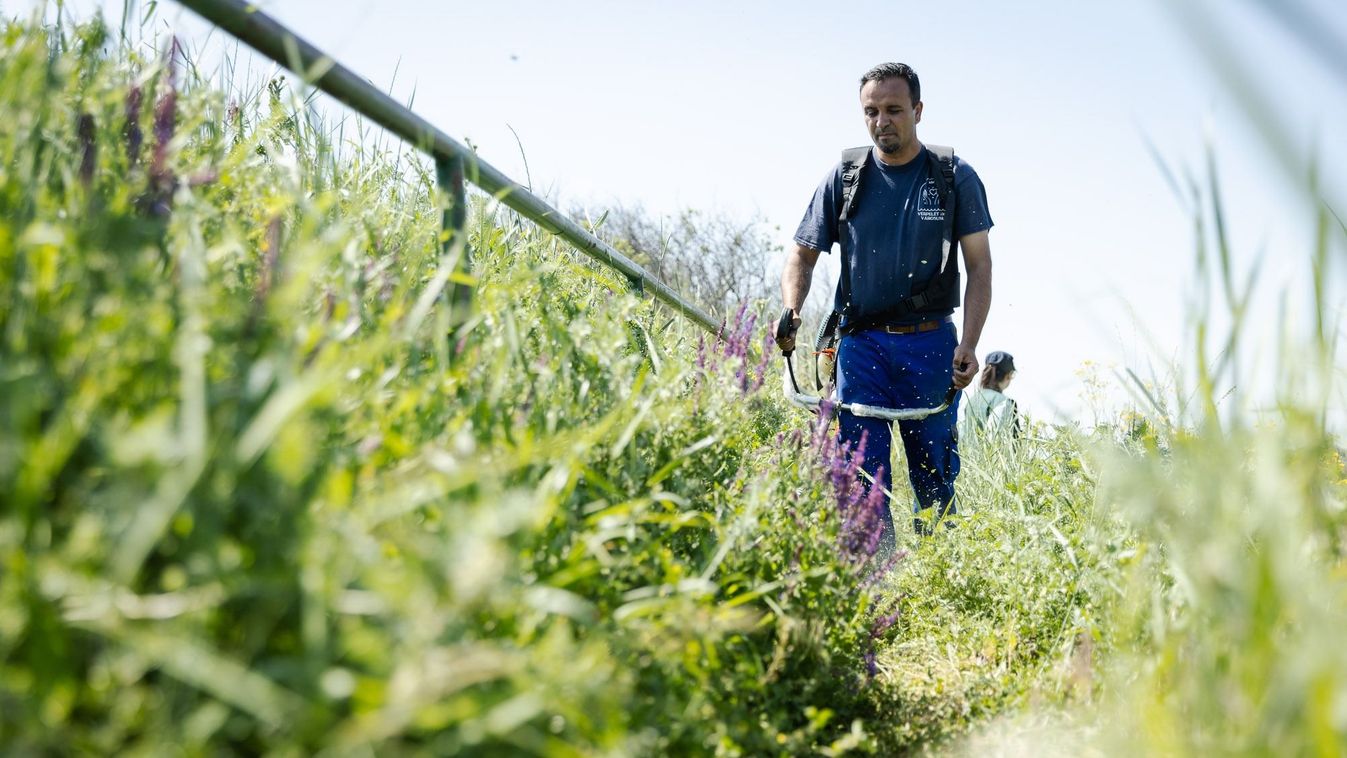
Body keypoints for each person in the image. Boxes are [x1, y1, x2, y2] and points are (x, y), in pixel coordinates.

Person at [777, 62, 993, 545]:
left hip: (930, 345)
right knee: (860, 479)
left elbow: (980, 267)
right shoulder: (845, 177)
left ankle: (940, 583)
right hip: (861, 347)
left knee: (935, 477)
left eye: (894, 110)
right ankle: (876, 583)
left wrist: (971, 345)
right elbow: (801, 253)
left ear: (918, 111)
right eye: (871, 112)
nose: (882, 121)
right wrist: (792, 309)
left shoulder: (952, 177)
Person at [962, 350, 1019, 443]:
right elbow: (1000, 441)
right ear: (1008, 375)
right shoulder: (1003, 402)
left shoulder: (971, 400)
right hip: (993, 457)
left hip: (968, 456)